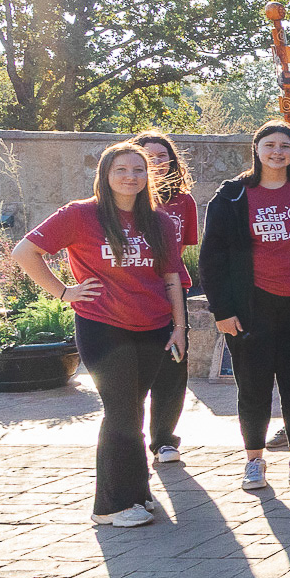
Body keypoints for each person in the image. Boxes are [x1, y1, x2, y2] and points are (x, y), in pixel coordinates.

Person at [16, 143, 188, 526]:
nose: (131, 176)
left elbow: (171, 276)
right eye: (121, 169)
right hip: (102, 327)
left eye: (139, 170)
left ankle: (136, 495)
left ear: (149, 177)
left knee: (133, 411)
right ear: (105, 175)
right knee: (122, 411)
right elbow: (25, 251)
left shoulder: (160, 221)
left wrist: (180, 327)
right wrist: (64, 291)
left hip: (154, 327)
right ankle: (110, 507)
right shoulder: (80, 215)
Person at [203, 122, 290, 489]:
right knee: (253, 387)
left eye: (286, 145)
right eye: (270, 145)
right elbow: (212, 258)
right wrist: (222, 309)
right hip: (250, 308)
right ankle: (254, 460)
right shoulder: (232, 195)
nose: (278, 152)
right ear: (257, 148)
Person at [133, 130, 196, 463]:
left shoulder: (182, 201)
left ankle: (164, 440)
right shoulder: (123, 198)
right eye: (148, 157)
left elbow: (181, 248)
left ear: (172, 161)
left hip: (172, 289)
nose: (156, 163)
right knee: (135, 365)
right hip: (131, 291)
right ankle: (130, 437)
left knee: (173, 361)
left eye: (162, 156)